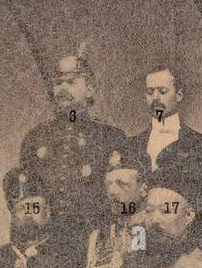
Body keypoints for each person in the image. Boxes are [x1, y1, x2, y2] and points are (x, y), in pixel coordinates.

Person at [18, 52, 127, 236]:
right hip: (47, 239)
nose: (62, 88)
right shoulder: (34, 138)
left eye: (71, 82)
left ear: (89, 89)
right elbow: (25, 195)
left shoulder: (110, 136)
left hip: (94, 237)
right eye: (58, 83)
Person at [130, 65, 202, 218]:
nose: (155, 97)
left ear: (179, 95)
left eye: (163, 91)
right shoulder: (130, 145)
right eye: (150, 92)